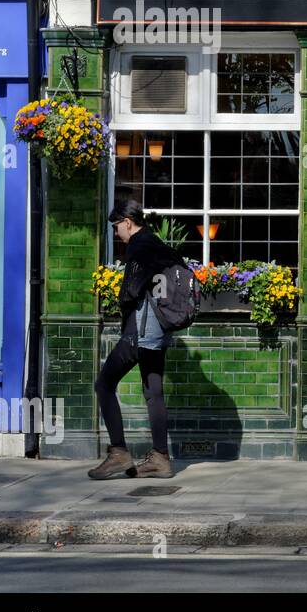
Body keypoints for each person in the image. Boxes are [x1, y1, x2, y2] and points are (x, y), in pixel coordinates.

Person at [88, 200, 185, 480]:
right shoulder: (158, 244)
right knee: (154, 392)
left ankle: (118, 453)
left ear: (127, 222)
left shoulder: (138, 245)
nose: (117, 233)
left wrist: (121, 299)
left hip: (139, 332)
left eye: (117, 227)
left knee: (104, 383)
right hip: (158, 332)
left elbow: (130, 289)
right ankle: (161, 459)